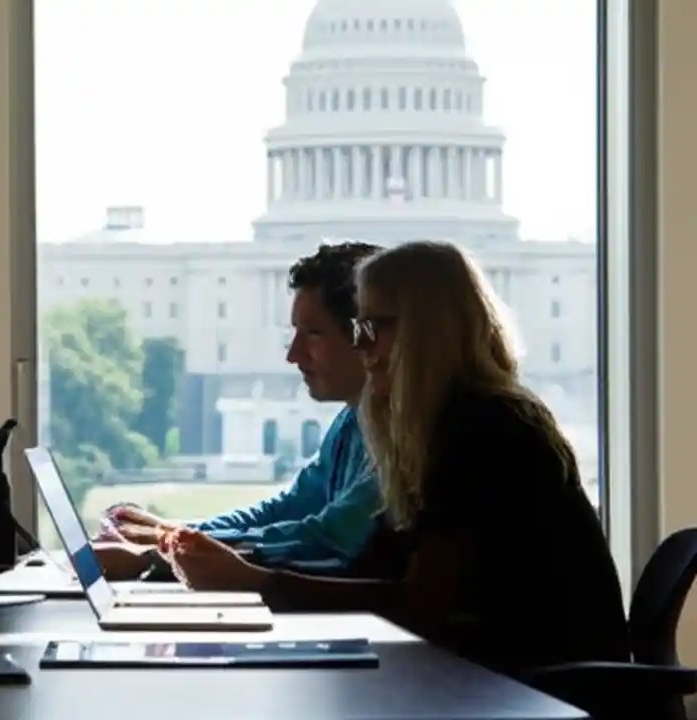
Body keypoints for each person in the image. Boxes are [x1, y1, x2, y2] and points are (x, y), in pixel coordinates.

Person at [164, 240, 629, 676]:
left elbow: (423, 605)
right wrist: (229, 568)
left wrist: (256, 582)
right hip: (487, 676)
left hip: (535, 688)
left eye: (370, 327)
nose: (359, 344)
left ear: (427, 331)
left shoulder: (486, 429)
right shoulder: (440, 424)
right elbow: (372, 568)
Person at [94, 242, 384, 579]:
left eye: (314, 334)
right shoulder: (351, 421)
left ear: (364, 336)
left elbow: (323, 537)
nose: (293, 355)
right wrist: (178, 532)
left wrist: (162, 547)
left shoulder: (404, 434)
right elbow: (287, 510)